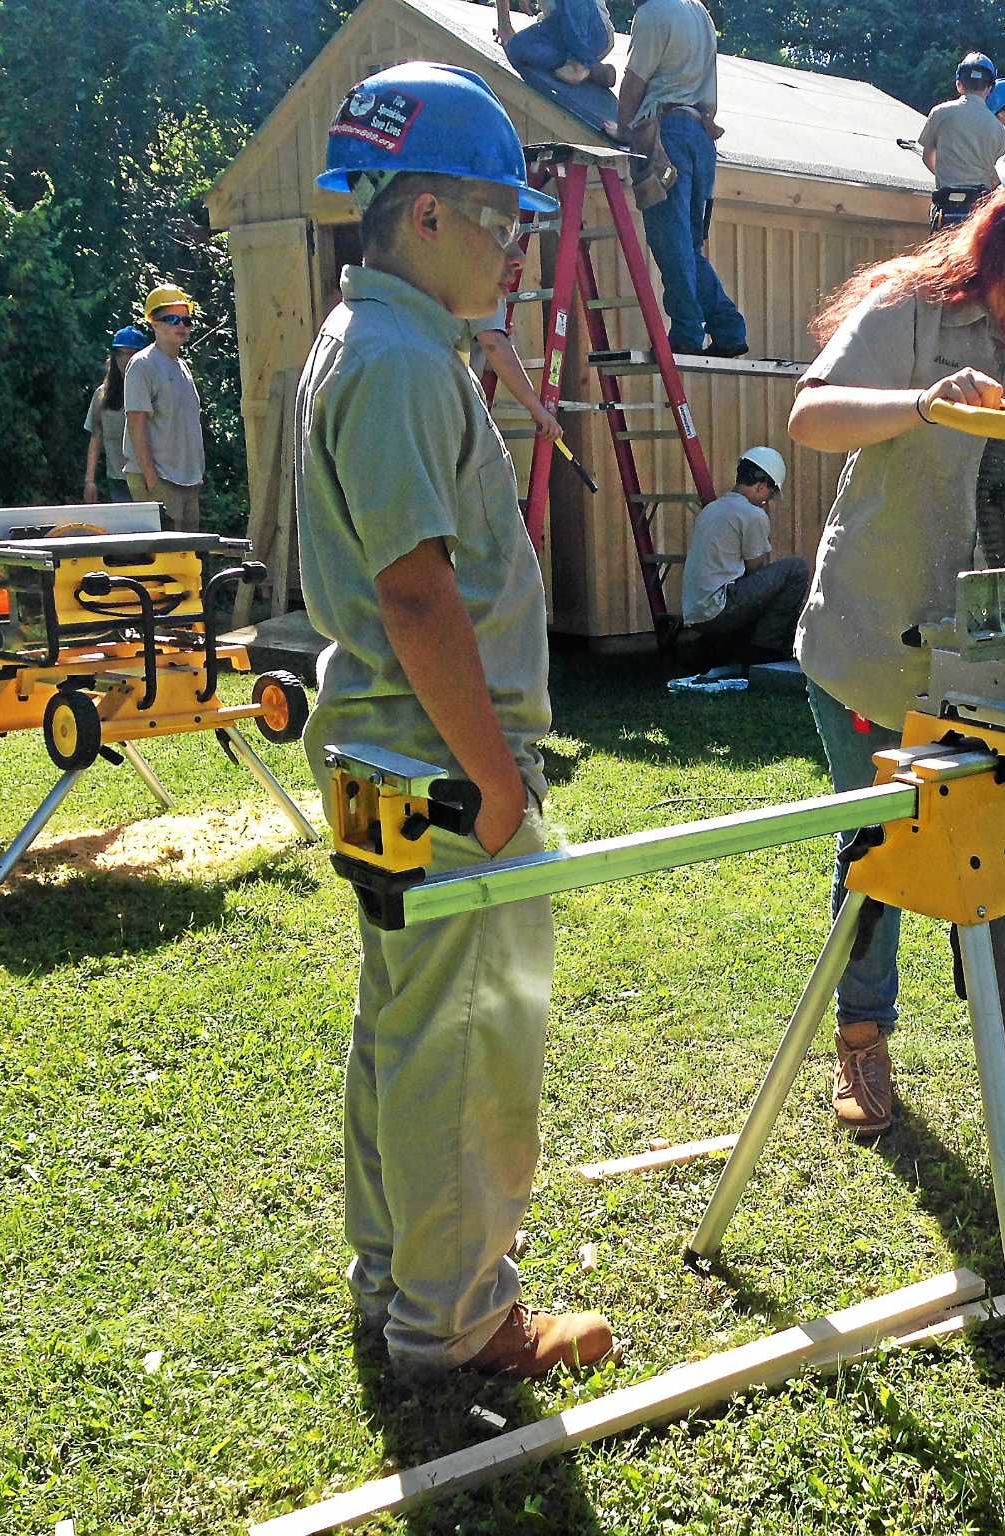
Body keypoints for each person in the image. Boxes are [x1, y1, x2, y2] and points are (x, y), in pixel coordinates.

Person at [295, 60, 612, 1380]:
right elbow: (418, 593)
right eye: (504, 220)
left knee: (405, 1029)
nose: (518, 253)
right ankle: (459, 1318)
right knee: (471, 1047)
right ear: (422, 214)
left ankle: (402, 1279)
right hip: (438, 767)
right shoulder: (403, 361)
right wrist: (493, 779)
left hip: (385, 756)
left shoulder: (367, 340)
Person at [787, 114, 1005, 1152]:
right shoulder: (908, 307)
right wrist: (920, 404)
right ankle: (861, 1037)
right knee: (877, 847)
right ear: (1002, 223)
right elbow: (810, 416)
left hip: (995, 658)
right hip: (872, 639)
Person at [617, 0, 747, 358]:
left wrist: (625, 129)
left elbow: (634, 81)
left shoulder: (653, 12)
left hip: (665, 134)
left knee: (669, 241)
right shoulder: (698, 11)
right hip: (699, 138)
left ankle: (687, 332)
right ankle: (728, 327)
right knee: (687, 245)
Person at [679, 446, 807, 661]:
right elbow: (754, 570)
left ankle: (725, 646)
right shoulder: (753, 515)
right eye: (770, 493)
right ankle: (764, 650)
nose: (767, 501)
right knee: (796, 568)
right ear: (761, 486)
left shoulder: (712, 508)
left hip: (696, 613)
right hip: (718, 609)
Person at [122, 286, 207, 531]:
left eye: (186, 319)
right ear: (154, 324)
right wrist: (152, 481)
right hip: (159, 480)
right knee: (166, 562)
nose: (181, 325)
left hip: (186, 480)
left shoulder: (182, 367)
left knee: (189, 561)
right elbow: (136, 424)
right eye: (171, 319)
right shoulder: (143, 365)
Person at [917, 53, 1005, 231]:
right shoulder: (999, 129)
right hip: (977, 212)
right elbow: (997, 177)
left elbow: (927, 156)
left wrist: (946, 175)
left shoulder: (939, 113)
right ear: (989, 89)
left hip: (944, 206)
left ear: (959, 84)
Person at [458, 296, 565, 450]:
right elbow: (493, 344)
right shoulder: (482, 276)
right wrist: (537, 409)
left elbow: (485, 349)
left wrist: (502, 339)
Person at [82, 325, 149, 504]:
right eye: (120, 354)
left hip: (149, 479)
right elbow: (96, 437)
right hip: (117, 481)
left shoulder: (154, 392)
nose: (125, 360)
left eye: (131, 354)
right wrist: (89, 481)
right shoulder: (102, 395)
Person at [495, 0, 615, 89]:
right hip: (560, 30)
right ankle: (592, 70)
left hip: (595, 34)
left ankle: (581, 62)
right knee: (516, 47)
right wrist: (504, 26)